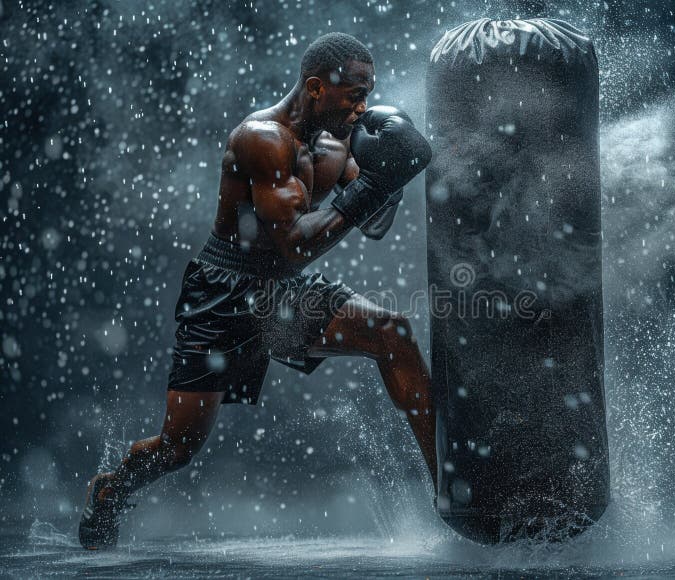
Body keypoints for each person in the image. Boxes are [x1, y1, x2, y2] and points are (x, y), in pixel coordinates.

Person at [79, 32, 434, 550]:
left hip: (280, 294)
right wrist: (372, 187)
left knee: (392, 333)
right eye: (354, 95)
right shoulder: (263, 139)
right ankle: (112, 489)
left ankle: (451, 483)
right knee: (180, 447)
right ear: (316, 87)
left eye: (368, 94)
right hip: (223, 292)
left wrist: (392, 175)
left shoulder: (338, 143)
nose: (362, 107)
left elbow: (373, 223)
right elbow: (292, 244)